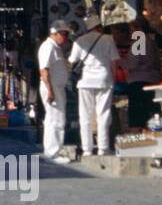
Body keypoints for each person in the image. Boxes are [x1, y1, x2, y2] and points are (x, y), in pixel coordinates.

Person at [68, 14, 120, 157]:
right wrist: (114, 78)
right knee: (103, 113)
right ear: (99, 27)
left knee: (85, 115)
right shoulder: (108, 39)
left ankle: (87, 149)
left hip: (85, 80)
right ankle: (103, 147)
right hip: (104, 79)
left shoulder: (80, 40)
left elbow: (72, 61)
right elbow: (114, 61)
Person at [38, 21, 72, 163]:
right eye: (64, 34)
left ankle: (52, 150)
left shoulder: (55, 47)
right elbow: (44, 70)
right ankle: (53, 153)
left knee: (55, 119)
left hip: (56, 87)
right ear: (55, 33)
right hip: (52, 87)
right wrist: (50, 91)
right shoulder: (48, 47)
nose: (65, 37)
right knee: (55, 120)